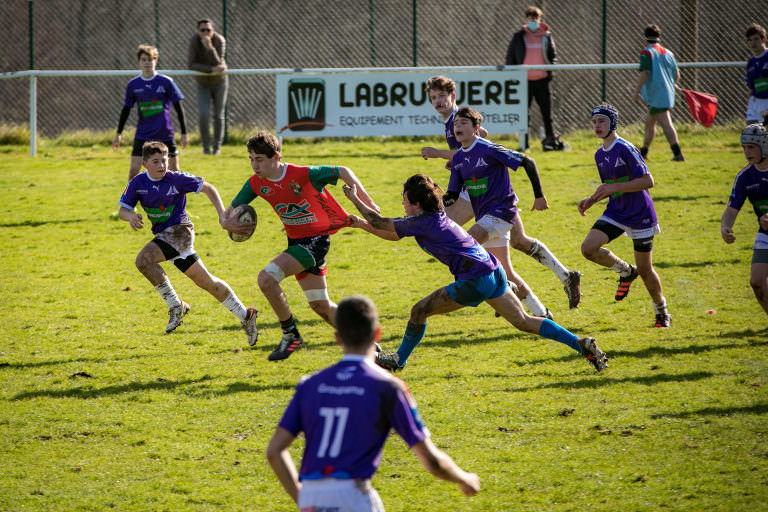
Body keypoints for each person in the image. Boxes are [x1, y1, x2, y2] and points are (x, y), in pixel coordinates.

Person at [344, 174, 607, 372]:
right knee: (524, 321)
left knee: (418, 311)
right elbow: (392, 235)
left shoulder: (421, 222)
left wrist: (354, 198)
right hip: (493, 271)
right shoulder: (436, 218)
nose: (401, 203)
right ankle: (580, 343)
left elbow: (381, 222)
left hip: (475, 280)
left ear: (415, 203)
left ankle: (398, 361)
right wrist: (361, 225)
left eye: (403, 199)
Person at [266, 295, 481, 511]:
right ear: (377, 333)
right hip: (354, 497)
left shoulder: (310, 384)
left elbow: (274, 451)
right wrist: (465, 477)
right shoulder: (387, 387)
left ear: (338, 338)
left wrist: (302, 497)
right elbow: (432, 461)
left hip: (311, 497)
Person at [221, 131, 379, 362]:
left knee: (266, 279)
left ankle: (290, 335)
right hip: (296, 242)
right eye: (251, 159)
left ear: (276, 156)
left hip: (315, 242)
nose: (254, 165)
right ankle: (370, 345)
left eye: (259, 159)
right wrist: (227, 222)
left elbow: (342, 170)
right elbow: (231, 210)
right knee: (320, 305)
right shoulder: (256, 183)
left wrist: (368, 202)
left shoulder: (302, 174)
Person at [118, 141, 258, 344]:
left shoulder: (177, 179)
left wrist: (222, 217)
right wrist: (129, 216)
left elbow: (209, 188)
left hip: (180, 232)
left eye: (164, 161)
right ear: (145, 163)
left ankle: (176, 305)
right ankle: (246, 315)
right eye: (156, 162)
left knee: (144, 260)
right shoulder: (138, 183)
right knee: (207, 282)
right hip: (165, 237)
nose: (162, 166)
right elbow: (123, 209)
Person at [445, 107, 582, 312]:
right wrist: (431, 198)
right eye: (456, 124)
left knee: (467, 245)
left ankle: (498, 289)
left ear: (476, 128)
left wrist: (539, 196)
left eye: (463, 123)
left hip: (501, 213)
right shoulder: (458, 159)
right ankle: (541, 314)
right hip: (486, 217)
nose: (458, 127)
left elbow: (527, 161)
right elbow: (452, 196)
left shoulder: (488, 149)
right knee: (506, 271)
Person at [578, 104, 670, 329]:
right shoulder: (599, 154)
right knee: (588, 249)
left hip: (640, 214)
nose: (597, 126)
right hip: (616, 211)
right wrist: (592, 199)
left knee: (646, 270)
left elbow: (648, 181)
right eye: (594, 122)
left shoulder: (625, 148)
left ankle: (661, 311)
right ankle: (626, 272)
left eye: (602, 121)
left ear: (612, 124)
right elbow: (610, 187)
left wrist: (613, 188)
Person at [112, 45, 189, 181]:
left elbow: (179, 108)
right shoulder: (133, 84)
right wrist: (118, 134)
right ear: (139, 62)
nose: (147, 63)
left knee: (174, 172)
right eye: (144, 60)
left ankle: (176, 202)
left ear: (156, 61)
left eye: (150, 59)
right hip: (143, 134)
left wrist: (184, 133)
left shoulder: (166, 82)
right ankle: (129, 202)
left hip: (164, 133)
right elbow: (126, 109)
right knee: (133, 171)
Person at [420, 75, 485, 228]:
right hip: (477, 183)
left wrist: (436, 153)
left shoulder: (457, 118)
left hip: (478, 184)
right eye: (434, 97)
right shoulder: (451, 120)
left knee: (441, 229)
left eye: (442, 96)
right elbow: (478, 138)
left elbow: (480, 134)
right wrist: (456, 159)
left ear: (452, 96)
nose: (438, 101)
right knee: (519, 241)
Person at [721, 124, 768, 316]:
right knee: (757, 283)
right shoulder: (745, 177)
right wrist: (725, 227)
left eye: (751, 147)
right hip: (765, 233)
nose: (747, 152)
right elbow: (731, 209)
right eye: (744, 148)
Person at [505, 5, 566, 152]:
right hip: (524, 81)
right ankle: (524, 144)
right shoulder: (518, 37)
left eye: (536, 18)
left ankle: (550, 142)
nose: (533, 21)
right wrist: (514, 75)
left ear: (540, 19)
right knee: (524, 114)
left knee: (547, 113)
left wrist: (550, 72)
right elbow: (510, 57)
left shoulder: (546, 36)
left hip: (542, 80)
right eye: (531, 18)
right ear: (526, 19)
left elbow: (552, 57)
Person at [632, 24, 684, 162]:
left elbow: (645, 73)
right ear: (659, 37)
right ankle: (643, 153)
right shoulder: (668, 53)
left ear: (645, 37)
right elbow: (677, 74)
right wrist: (672, 84)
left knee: (666, 123)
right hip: (665, 93)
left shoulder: (646, 53)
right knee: (650, 123)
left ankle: (678, 153)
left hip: (656, 94)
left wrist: (636, 92)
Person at [187, 19, 228, 155]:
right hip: (202, 83)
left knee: (218, 115)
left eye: (208, 30)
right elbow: (191, 64)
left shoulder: (219, 40)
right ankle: (206, 147)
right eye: (202, 30)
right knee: (203, 114)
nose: (205, 33)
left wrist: (209, 47)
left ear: (213, 30)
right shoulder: (194, 41)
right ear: (198, 31)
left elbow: (219, 63)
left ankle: (217, 147)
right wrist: (211, 69)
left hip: (219, 82)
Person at [744, 23, 768, 127]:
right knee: (751, 136)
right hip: (756, 102)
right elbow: (751, 86)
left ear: (764, 39)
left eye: (756, 39)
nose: (753, 43)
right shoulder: (751, 62)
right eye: (750, 40)